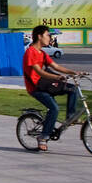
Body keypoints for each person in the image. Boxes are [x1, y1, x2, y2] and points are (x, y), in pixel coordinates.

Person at [24, 23, 83, 153]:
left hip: (45, 84)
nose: (49, 37)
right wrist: (56, 78)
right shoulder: (31, 52)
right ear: (39, 36)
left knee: (73, 89)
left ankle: (71, 116)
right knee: (54, 108)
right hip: (36, 88)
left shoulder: (42, 53)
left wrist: (74, 72)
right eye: (47, 35)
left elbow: (56, 67)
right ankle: (43, 137)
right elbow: (39, 72)